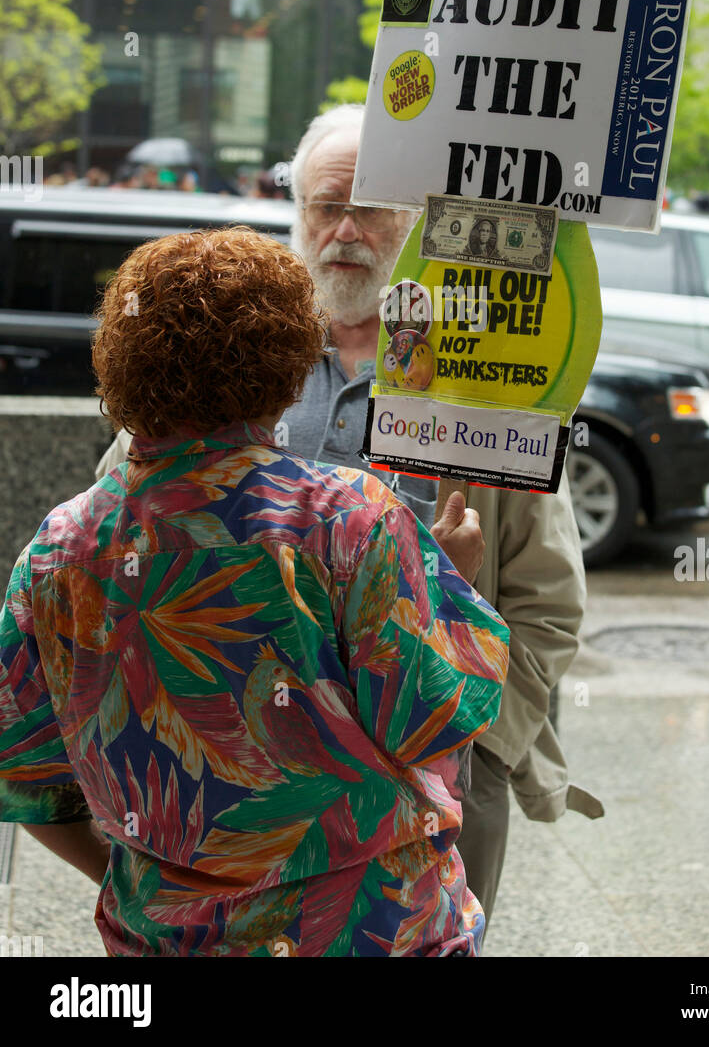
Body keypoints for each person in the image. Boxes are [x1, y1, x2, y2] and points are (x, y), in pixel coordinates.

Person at [95, 104, 603, 924]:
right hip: (239, 792)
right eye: (326, 206)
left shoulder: (485, 385)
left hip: (432, 794)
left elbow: (548, 602)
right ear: (297, 216)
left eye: (369, 206)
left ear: (416, 220)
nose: (345, 230)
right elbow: (120, 528)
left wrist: (479, 753)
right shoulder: (228, 360)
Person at [0, 225, 509, 957]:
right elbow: (436, 720)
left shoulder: (58, 550)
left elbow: (24, 781)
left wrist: (149, 880)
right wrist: (447, 578)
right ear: (289, 366)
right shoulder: (350, 521)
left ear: (117, 361)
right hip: (367, 928)